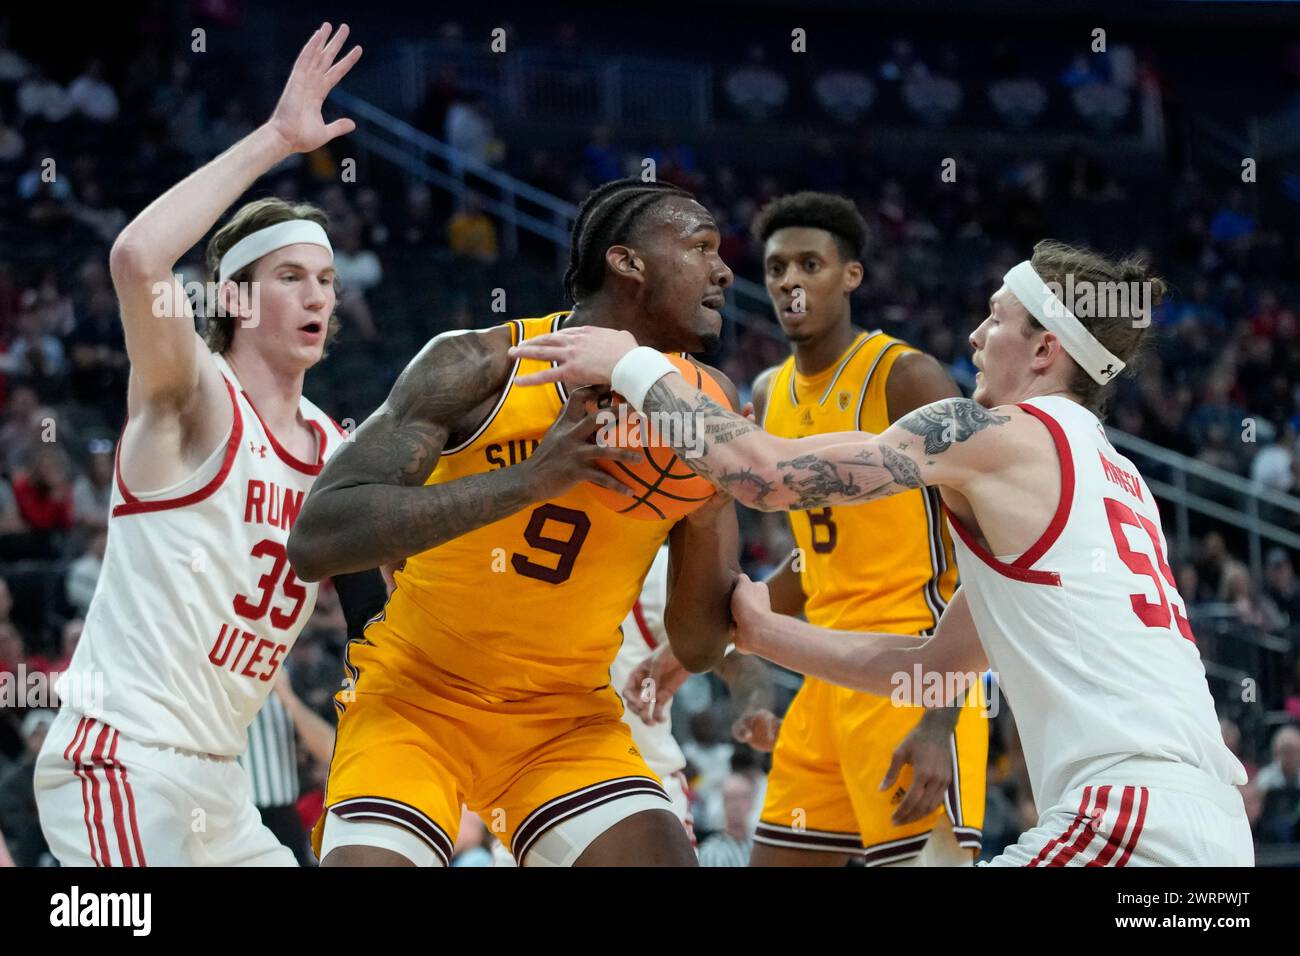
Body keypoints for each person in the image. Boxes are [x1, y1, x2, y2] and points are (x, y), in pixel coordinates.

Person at [512, 238, 1254, 866]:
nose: (972, 338)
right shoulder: (1113, 478)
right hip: (1212, 824)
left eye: (993, 318)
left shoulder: (994, 433)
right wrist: (757, 630)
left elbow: (768, 477)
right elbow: (927, 671)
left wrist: (633, 366)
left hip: (1129, 818)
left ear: (1044, 348)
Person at [288, 177, 741, 867]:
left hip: (563, 719)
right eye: (701, 246)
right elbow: (317, 538)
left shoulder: (704, 411)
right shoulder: (480, 366)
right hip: (416, 698)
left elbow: (701, 646)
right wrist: (529, 481)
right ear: (627, 263)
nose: (724, 268)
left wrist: (710, 509)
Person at [33, 24, 383, 867]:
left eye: (328, 281)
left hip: (220, 790)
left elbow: (389, 595)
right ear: (233, 295)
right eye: (291, 277)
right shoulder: (194, 397)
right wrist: (279, 140)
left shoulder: (340, 448)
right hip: (119, 761)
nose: (318, 297)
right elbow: (138, 257)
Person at [744, 192, 986, 866]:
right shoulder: (768, 394)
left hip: (914, 667)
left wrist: (940, 718)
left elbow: (985, 553)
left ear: (850, 275)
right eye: (776, 267)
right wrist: (712, 634)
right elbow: (816, 560)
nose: (790, 280)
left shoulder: (906, 378)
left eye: (810, 264)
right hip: (826, 672)